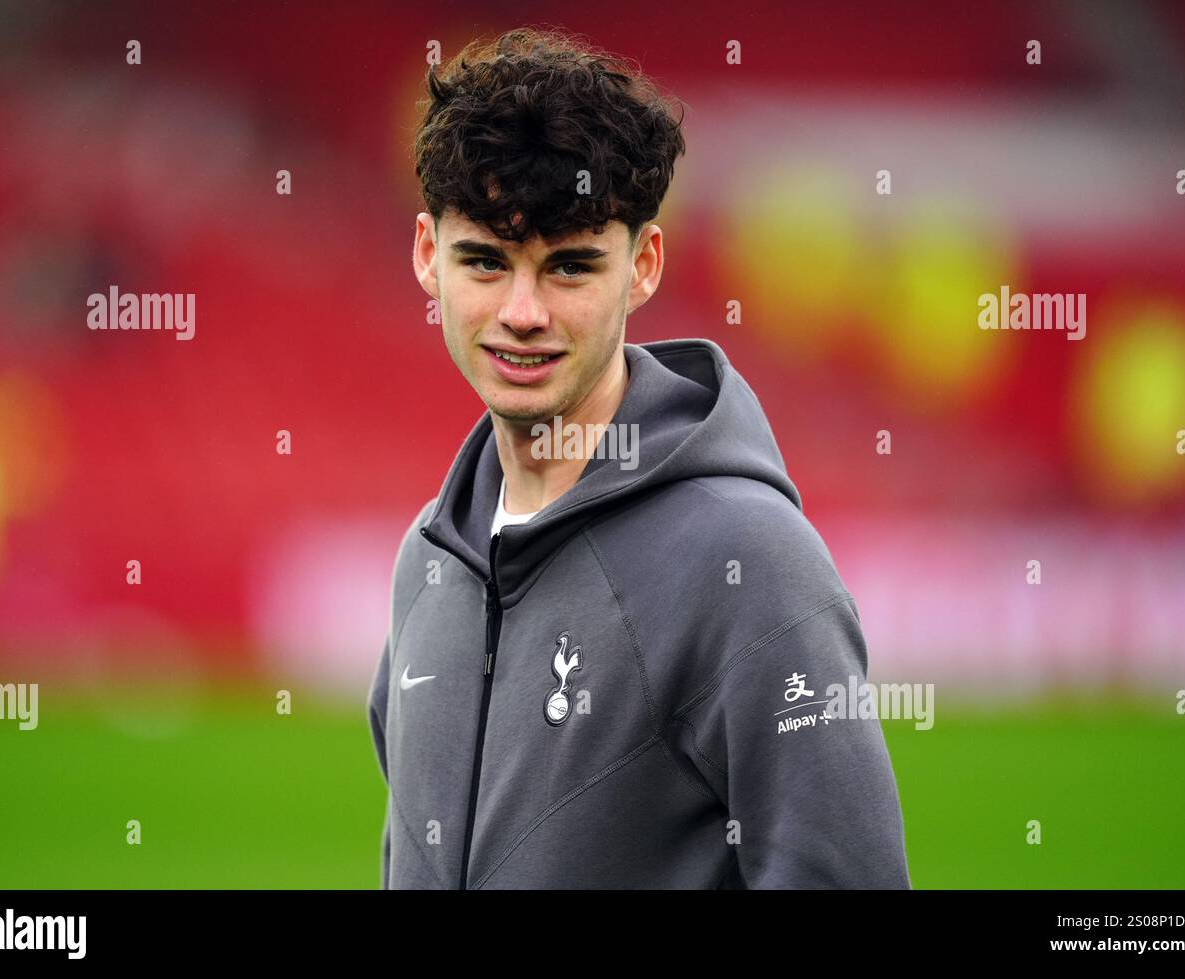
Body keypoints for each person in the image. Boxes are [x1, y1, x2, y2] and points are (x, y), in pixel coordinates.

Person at [368, 26, 910, 889]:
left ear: (644, 265)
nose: (522, 311)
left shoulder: (750, 560)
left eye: (570, 268)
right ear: (429, 257)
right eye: (485, 261)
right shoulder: (429, 563)